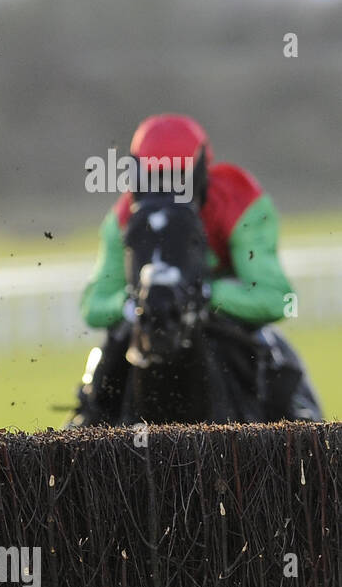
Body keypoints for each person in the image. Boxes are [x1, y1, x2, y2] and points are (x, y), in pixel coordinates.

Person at [70, 113, 323, 425]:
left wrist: (203, 293)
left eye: (177, 178)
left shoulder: (240, 201)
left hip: (225, 316)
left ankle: (302, 433)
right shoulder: (123, 219)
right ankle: (81, 433)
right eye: (154, 177)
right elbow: (95, 305)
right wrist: (135, 302)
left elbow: (274, 297)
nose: (165, 189)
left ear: (200, 172)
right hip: (148, 318)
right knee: (102, 372)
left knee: (278, 362)